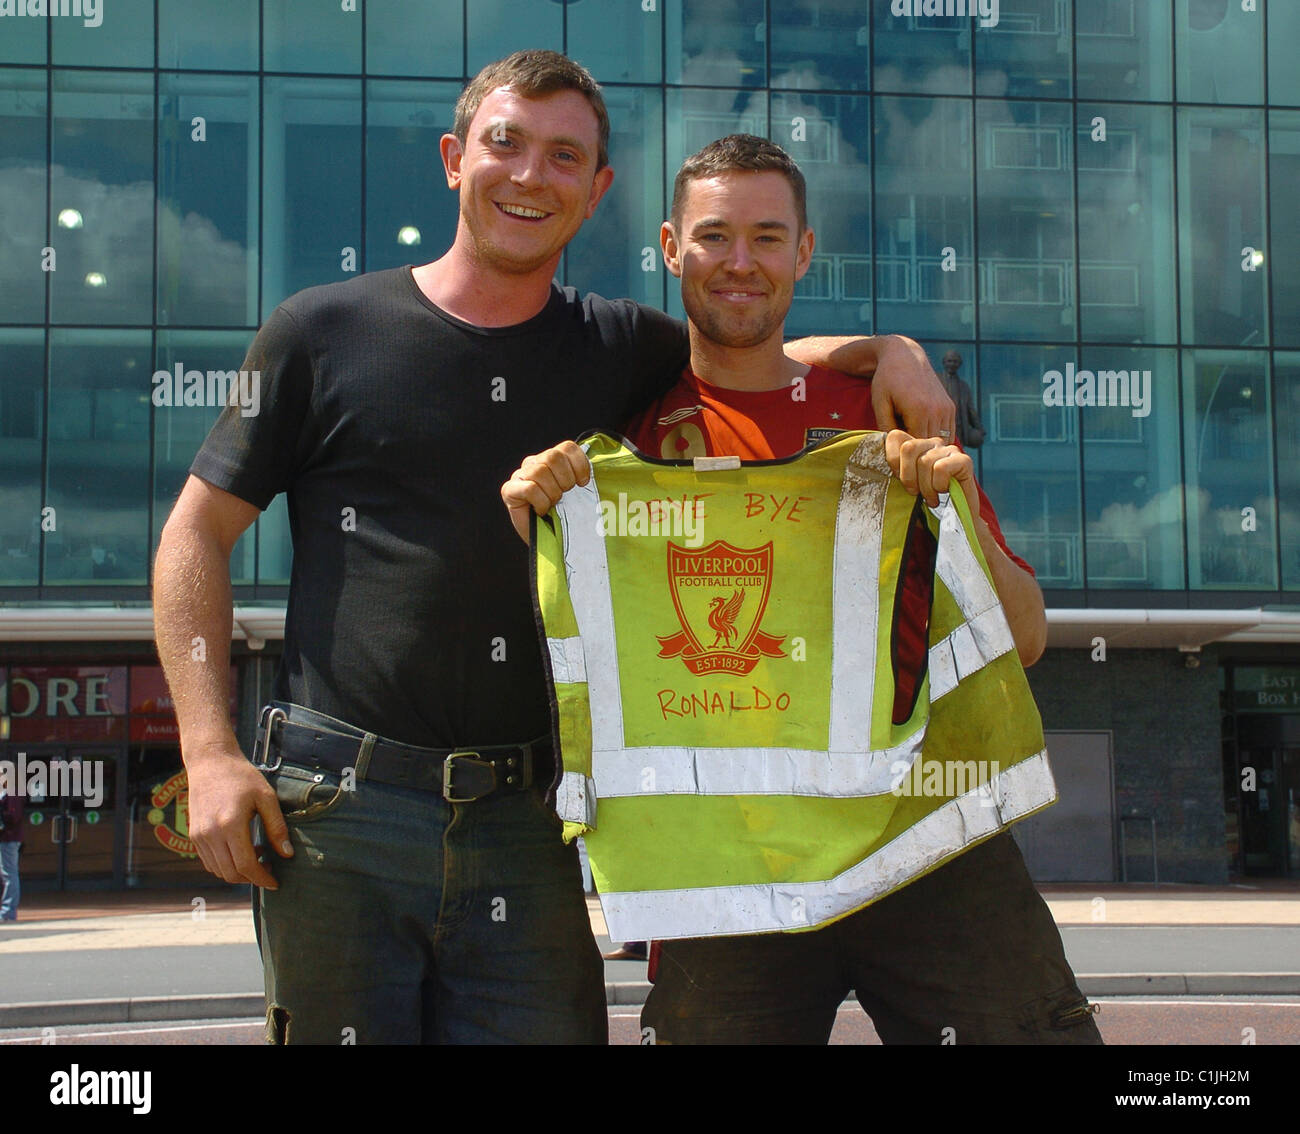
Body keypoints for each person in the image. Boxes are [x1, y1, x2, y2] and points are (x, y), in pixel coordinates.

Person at [152, 53, 954, 1046]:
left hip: (530, 822)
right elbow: (193, 534)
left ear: (597, 191)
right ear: (455, 158)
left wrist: (888, 352)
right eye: (506, 144)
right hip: (341, 814)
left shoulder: (622, 350)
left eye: (564, 156)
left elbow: (752, 351)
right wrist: (208, 750)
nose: (531, 175)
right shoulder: (318, 332)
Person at [502, 135, 1100, 1045]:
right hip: (736, 871)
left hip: (925, 846)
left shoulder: (884, 415)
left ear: (805, 252)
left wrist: (958, 503)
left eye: (768, 237)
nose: (740, 262)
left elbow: (1024, 638)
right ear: (670, 248)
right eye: (713, 237)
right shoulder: (620, 446)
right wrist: (539, 514)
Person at [940, 349, 986, 449]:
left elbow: (971, 410)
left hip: (959, 428)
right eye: (949, 361)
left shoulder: (964, 386)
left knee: (957, 455)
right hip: (942, 426)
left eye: (955, 361)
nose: (952, 364)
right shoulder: (936, 381)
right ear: (944, 362)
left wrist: (979, 428)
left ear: (959, 364)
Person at [0, 787, 22, 922]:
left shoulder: (13, 793)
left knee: (9, 874)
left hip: (9, 838)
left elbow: (14, 817)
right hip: (4, 838)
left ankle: (8, 912)